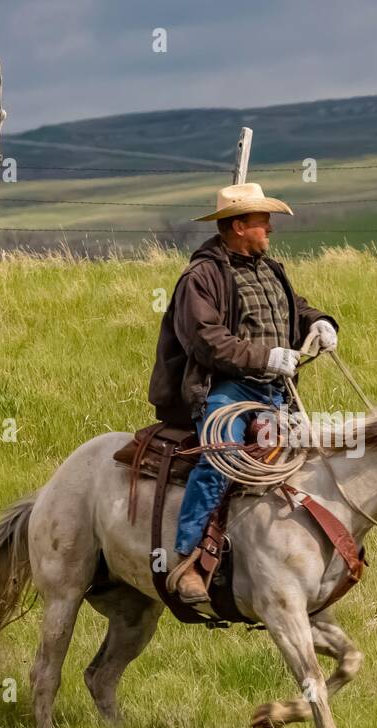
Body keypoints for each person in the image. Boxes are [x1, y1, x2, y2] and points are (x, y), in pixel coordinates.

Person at [147, 182, 340, 603]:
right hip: (224, 390)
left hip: (274, 393)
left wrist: (320, 323)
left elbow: (295, 307)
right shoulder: (201, 277)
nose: (270, 228)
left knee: (316, 458)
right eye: (262, 221)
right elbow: (206, 340)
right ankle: (190, 560)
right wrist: (266, 358)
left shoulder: (269, 269)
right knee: (221, 457)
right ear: (238, 226)